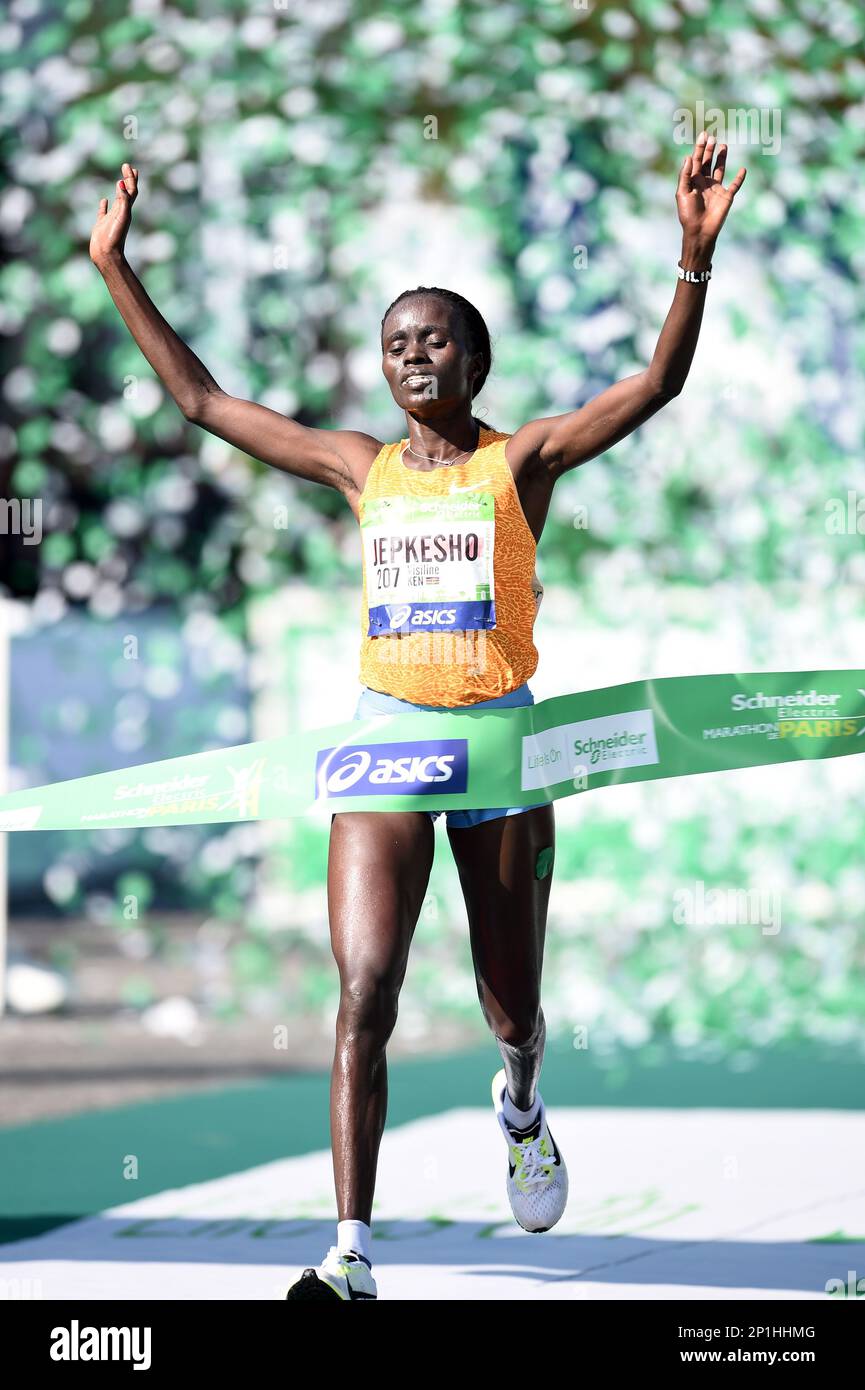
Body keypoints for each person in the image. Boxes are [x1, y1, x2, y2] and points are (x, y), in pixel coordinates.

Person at [89, 133, 746, 1301]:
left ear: (475, 357)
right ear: (384, 372)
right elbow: (199, 400)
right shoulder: (357, 466)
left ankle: (522, 1097)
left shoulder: (523, 461)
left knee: (512, 999)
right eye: (396, 344)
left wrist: (690, 257)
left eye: (435, 337)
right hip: (387, 737)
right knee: (365, 990)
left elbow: (655, 388)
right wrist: (114, 267)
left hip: (500, 744)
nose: (413, 355)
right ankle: (349, 1251)